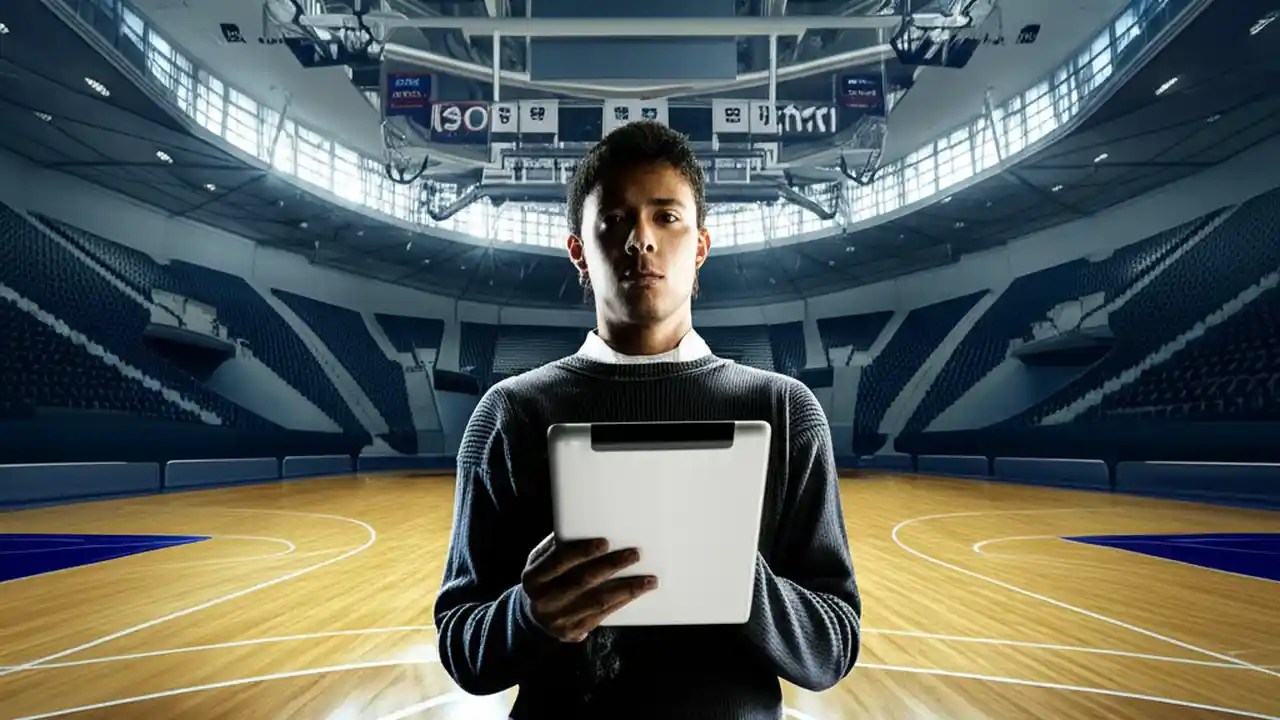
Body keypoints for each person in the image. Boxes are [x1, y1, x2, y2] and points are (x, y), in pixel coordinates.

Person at [434, 120, 860, 719]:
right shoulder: (509, 414)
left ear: (701, 247)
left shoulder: (786, 412)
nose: (641, 240)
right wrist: (527, 615)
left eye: (666, 217)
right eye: (614, 220)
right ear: (578, 252)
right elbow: (461, 643)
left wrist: (736, 576)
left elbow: (835, 642)